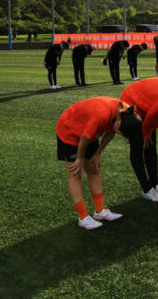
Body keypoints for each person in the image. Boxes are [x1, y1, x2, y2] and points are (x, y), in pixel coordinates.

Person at [56, 96, 142, 230]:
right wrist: (79, 159)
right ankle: (83, 218)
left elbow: (110, 132)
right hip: (70, 130)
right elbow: (84, 138)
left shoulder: (126, 112)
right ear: (118, 123)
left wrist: (97, 154)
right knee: (76, 173)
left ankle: (99, 211)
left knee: (93, 169)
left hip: (90, 130)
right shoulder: (101, 114)